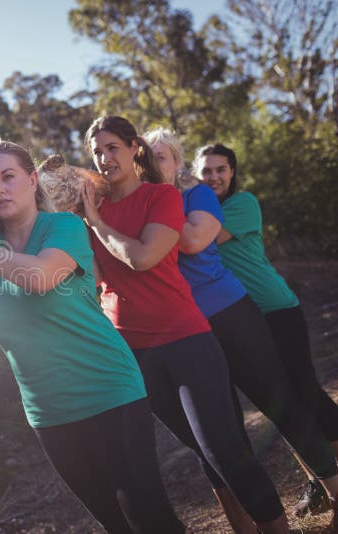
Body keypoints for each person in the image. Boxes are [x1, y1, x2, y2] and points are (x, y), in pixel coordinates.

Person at [0, 139, 184, 533]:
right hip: (50, 414)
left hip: (109, 392)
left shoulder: (62, 227)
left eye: (9, 176)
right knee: (113, 521)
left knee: (148, 515)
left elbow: (39, 277)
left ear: (33, 180)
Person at [82, 116, 288, 533]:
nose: (104, 159)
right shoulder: (92, 211)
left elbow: (142, 257)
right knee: (201, 451)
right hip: (135, 355)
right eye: (97, 152)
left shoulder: (163, 197)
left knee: (225, 450)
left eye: (112, 148)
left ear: (134, 147)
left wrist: (97, 224)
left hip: (186, 340)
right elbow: (92, 277)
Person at [146, 129, 338, 530]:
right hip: (185, 329)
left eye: (161, 156)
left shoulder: (197, 196)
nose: (151, 163)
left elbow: (195, 240)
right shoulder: (141, 202)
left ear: (178, 163)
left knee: (284, 400)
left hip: (236, 310)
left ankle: (331, 487)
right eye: (145, 157)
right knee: (220, 438)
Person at [197, 142, 338, 518]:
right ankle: (319, 482)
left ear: (232, 172)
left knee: (305, 392)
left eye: (221, 169)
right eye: (206, 171)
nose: (213, 177)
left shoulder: (240, 206)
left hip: (276, 309)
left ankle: (329, 480)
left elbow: (201, 240)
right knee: (282, 402)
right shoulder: (198, 211)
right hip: (242, 319)